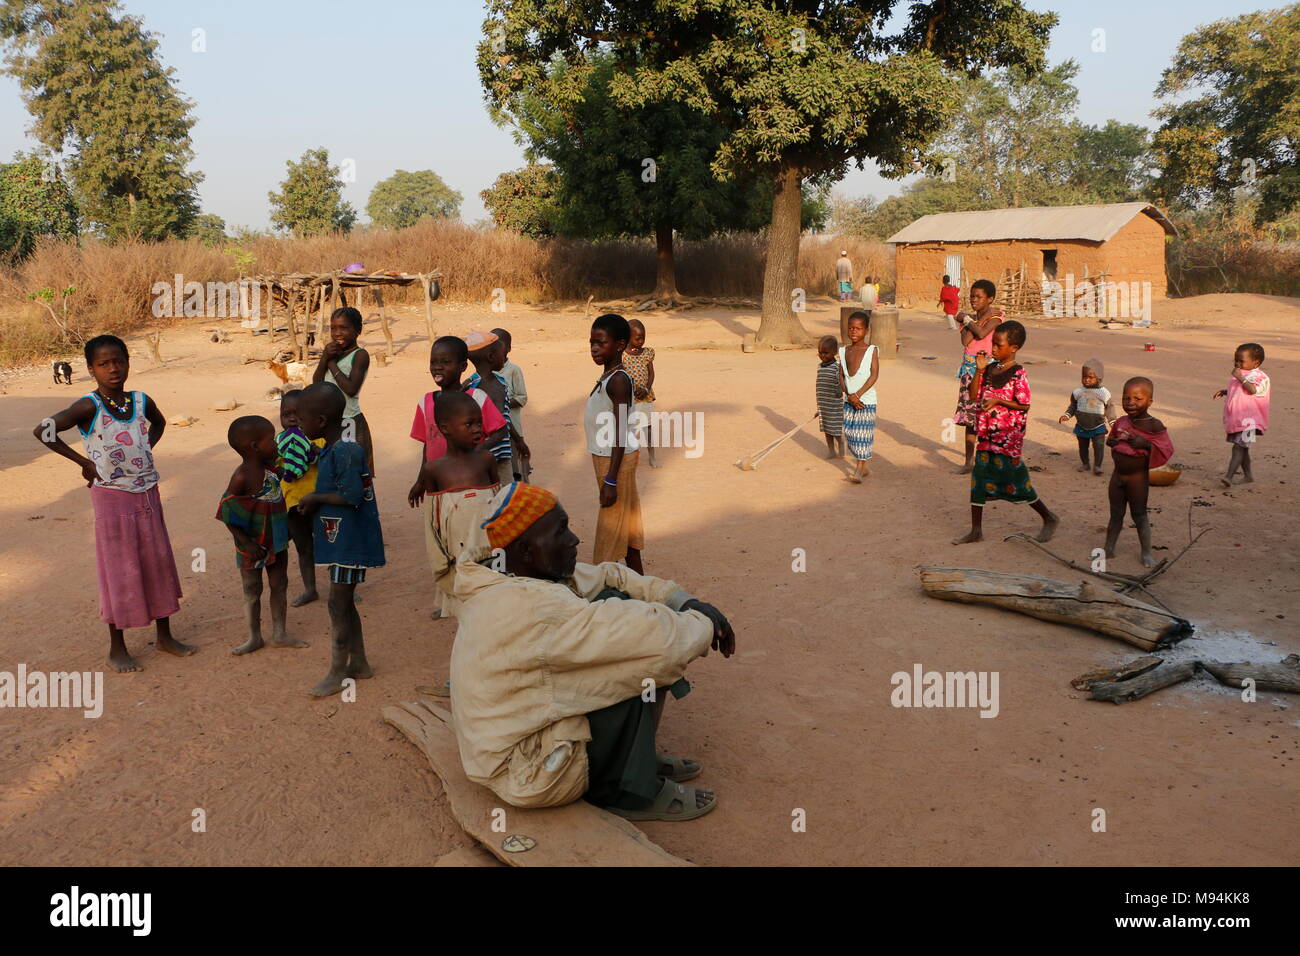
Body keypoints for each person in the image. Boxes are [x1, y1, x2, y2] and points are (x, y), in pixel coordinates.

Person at [447, 482, 735, 819]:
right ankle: (625, 792)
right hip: (526, 771)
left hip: (512, 742)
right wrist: (704, 622)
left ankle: (635, 759)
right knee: (639, 656)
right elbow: (662, 641)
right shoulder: (531, 608)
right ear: (525, 549)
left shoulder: (503, 570)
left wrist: (683, 600)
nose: (573, 540)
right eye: (560, 531)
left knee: (616, 602)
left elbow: (608, 575)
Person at [32, 334, 192, 673]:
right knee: (120, 570)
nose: (113, 369)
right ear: (91, 369)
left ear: (128, 362)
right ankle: (116, 647)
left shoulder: (140, 400)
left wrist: (146, 447)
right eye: (104, 364)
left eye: (118, 361)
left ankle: (164, 636)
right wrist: (83, 462)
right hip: (112, 498)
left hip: (148, 492)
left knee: (156, 561)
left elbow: (159, 423)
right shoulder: (88, 406)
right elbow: (43, 430)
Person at [295, 383, 385, 697]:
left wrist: (316, 496)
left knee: (337, 603)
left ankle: (337, 671)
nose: (297, 423)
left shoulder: (345, 451)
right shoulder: (336, 449)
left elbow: (351, 496)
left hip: (350, 542)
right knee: (342, 603)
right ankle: (358, 662)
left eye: (301, 418)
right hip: (342, 540)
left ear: (320, 421)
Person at [953, 321, 1060, 545]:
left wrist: (999, 400)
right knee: (978, 481)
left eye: (998, 345)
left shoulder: (1018, 373)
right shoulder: (990, 368)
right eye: (993, 343)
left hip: (1007, 439)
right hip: (987, 437)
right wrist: (979, 370)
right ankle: (976, 530)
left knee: (1017, 482)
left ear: (1013, 347)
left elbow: (1025, 405)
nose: (993, 349)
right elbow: (973, 396)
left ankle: (1049, 517)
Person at [216, 416, 308, 655]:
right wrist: (247, 543)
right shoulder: (241, 477)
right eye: (272, 439)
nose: (277, 442)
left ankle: (279, 633)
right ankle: (253, 637)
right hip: (250, 545)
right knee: (252, 588)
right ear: (256, 447)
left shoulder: (271, 467)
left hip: (276, 539)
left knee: (280, 584)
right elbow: (227, 513)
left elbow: (290, 469)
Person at [419, 390, 500, 618]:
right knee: (468, 616)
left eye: (479, 423)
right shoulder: (434, 470)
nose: (478, 429)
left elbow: (499, 505)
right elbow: (432, 524)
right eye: (469, 424)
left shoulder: (486, 461)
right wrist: (441, 562)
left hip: (491, 558)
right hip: (458, 561)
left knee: (494, 612)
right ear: (445, 429)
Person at [586, 313, 644, 571]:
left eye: (601, 343)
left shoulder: (618, 380)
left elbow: (620, 431)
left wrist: (610, 480)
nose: (595, 348)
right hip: (611, 458)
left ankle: (602, 583)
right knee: (627, 522)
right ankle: (640, 581)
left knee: (610, 523)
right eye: (592, 343)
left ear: (619, 345)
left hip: (614, 461)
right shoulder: (610, 375)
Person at [1105, 377, 1174, 567]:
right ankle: (1108, 549)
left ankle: (1146, 553)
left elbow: (1166, 449)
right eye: (1126, 398)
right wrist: (1111, 442)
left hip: (1137, 478)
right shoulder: (1120, 422)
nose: (1130, 403)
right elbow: (1113, 438)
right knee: (1115, 514)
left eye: (1137, 398)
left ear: (1150, 401)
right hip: (1117, 476)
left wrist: (1144, 443)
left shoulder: (1154, 425)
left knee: (1140, 515)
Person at [276, 389, 325, 607]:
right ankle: (310, 589)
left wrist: (316, 452)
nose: (293, 418)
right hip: (293, 504)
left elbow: (328, 463)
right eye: (287, 414)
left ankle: (344, 587)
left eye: (298, 414)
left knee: (331, 545)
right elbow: (274, 469)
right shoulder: (278, 443)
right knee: (303, 548)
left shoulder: (319, 439)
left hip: (320, 501)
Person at [951, 279, 1005, 474]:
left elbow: (981, 334)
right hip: (968, 372)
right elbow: (966, 340)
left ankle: (990, 462)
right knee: (970, 419)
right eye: (972, 296)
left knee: (989, 417)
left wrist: (967, 319)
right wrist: (970, 320)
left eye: (979, 297)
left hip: (987, 373)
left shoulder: (997, 317)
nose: (974, 300)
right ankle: (968, 462)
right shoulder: (973, 319)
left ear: (990, 299)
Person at [312, 306, 373, 475]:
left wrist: (331, 363)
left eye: (344, 328)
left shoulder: (360, 355)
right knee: (331, 470)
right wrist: (325, 358)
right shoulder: (331, 354)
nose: (338, 333)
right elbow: (316, 384)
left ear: (358, 330)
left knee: (352, 471)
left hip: (350, 421)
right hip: (330, 422)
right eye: (333, 328)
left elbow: (351, 389)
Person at [466, 329, 529, 486]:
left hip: (503, 454)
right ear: (491, 357)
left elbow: (504, 419)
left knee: (505, 496)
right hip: (482, 456)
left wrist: (518, 440)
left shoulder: (502, 383)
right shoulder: (472, 386)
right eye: (502, 353)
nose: (505, 357)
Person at [1214, 343, 1270, 487]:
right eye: (1236, 360)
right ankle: (1248, 476)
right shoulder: (1241, 375)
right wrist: (1225, 391)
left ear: (1256, 362)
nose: (1237, 364)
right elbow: (1239, 391)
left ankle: (1229, 476)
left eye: (1241, 361)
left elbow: (1252, 390)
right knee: (1243, 449)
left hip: (1250, 421)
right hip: (1238, 419)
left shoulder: (1259, 377)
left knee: (1238, 448)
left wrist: (1240, 378)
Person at [839, 312, 879, 483]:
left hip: (866, 401)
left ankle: (858, 470)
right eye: (851, 328)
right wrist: (849, 395)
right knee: (850, 433)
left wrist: (858, 395)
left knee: (863, 435)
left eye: (858, 328)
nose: (854, 331)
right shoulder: (843, 350)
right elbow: (841, 375)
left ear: (866, 330)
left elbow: (874, 375)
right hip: (849, 401)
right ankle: (865, 467)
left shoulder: (871, 350)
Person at [1058, 358, 1114, 475]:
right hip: (1081, 426)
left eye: (1090, 377)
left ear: (1099, 378)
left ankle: (1097, 466)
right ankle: (1085, 464)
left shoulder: (1104, 393)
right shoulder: (1077, 392)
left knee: (1098, 447)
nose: (1087, 379)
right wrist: (1067, 415)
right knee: (1083, 447)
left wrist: (1112, 420)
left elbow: (1109, 408)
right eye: (1084, 376)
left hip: (1098, 426)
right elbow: (1073, 406)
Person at [492, 327, 531, 482]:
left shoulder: (513, 370)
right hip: (494, 432)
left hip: (513, 430)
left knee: (515, 469)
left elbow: (522, 397)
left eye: (498, 344)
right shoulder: (486, 373)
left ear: (508, 349)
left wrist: (502, 404)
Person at [624, 318, 659, 468]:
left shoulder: (647, 353)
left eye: (643, 337)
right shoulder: (622, 355)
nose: (641, 341)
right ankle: (630, 457)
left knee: (648, 427)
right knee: (629, 429)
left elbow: (651, 374)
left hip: (645, 397)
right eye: (638, 338)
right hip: (629, 399)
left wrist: (646, 388)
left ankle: (652, 456)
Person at [815, 335, 845, 459]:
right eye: (820, 353)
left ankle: (841, 446)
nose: (823, 356)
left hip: (834, 405)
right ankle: (831, 451)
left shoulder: (837, 367)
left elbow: (840, 384)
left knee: (835, 429)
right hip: (823, 404)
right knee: (827, 430)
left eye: (826, 353)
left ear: (834, 352)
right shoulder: (820, 367)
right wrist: (819, 408)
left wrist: (839, 392)